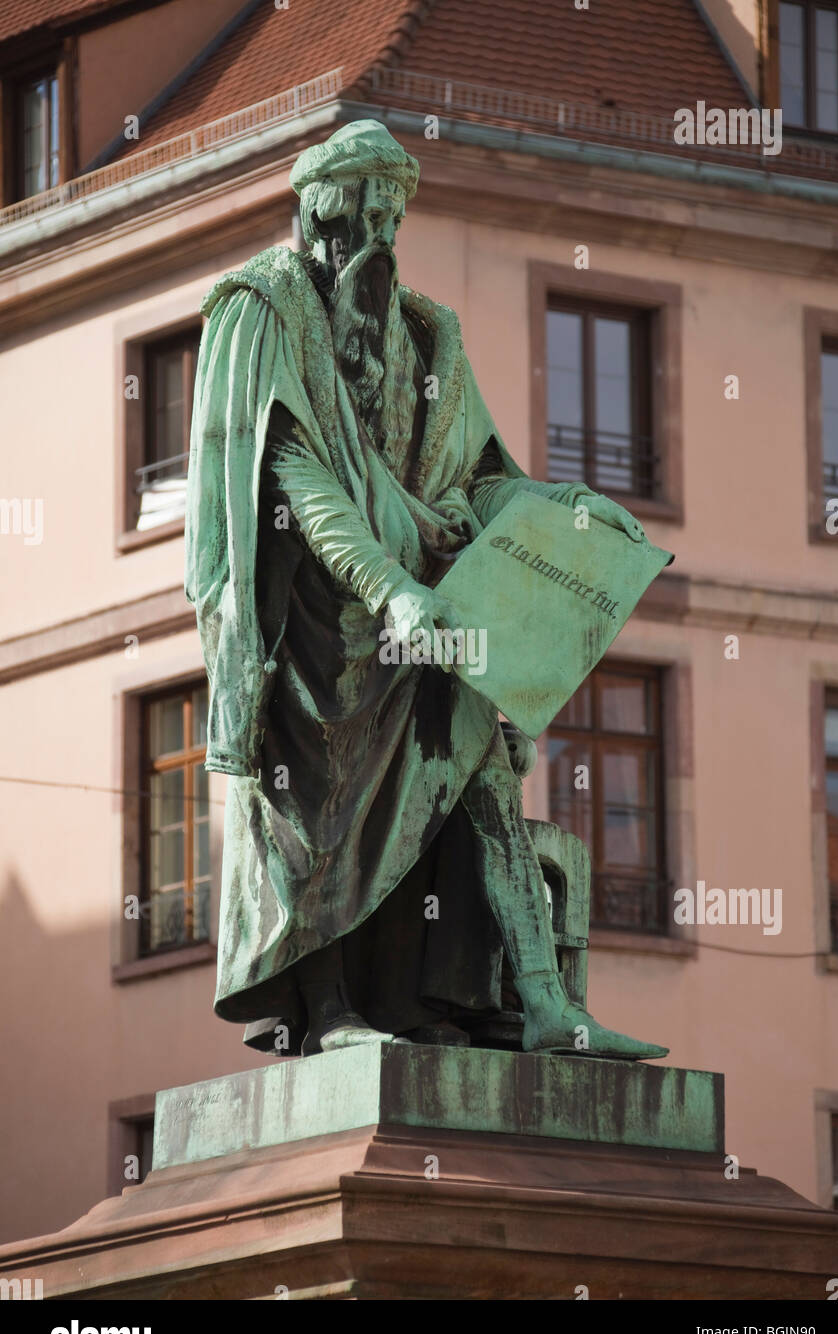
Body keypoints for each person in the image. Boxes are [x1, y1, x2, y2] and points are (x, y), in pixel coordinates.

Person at [185, 119, 667, 1061]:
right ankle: (325, 1010)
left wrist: (561, 504)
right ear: (320, 213)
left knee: (482, 763)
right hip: (310, 622)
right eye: (365, 211)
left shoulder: (425, 331)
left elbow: (474, 478)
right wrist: (388, 584)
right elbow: (289, 470)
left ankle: (543, 1002)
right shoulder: (261, 309)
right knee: (311, 807)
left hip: (422, 610)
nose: (381, 233)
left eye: (394, 210)